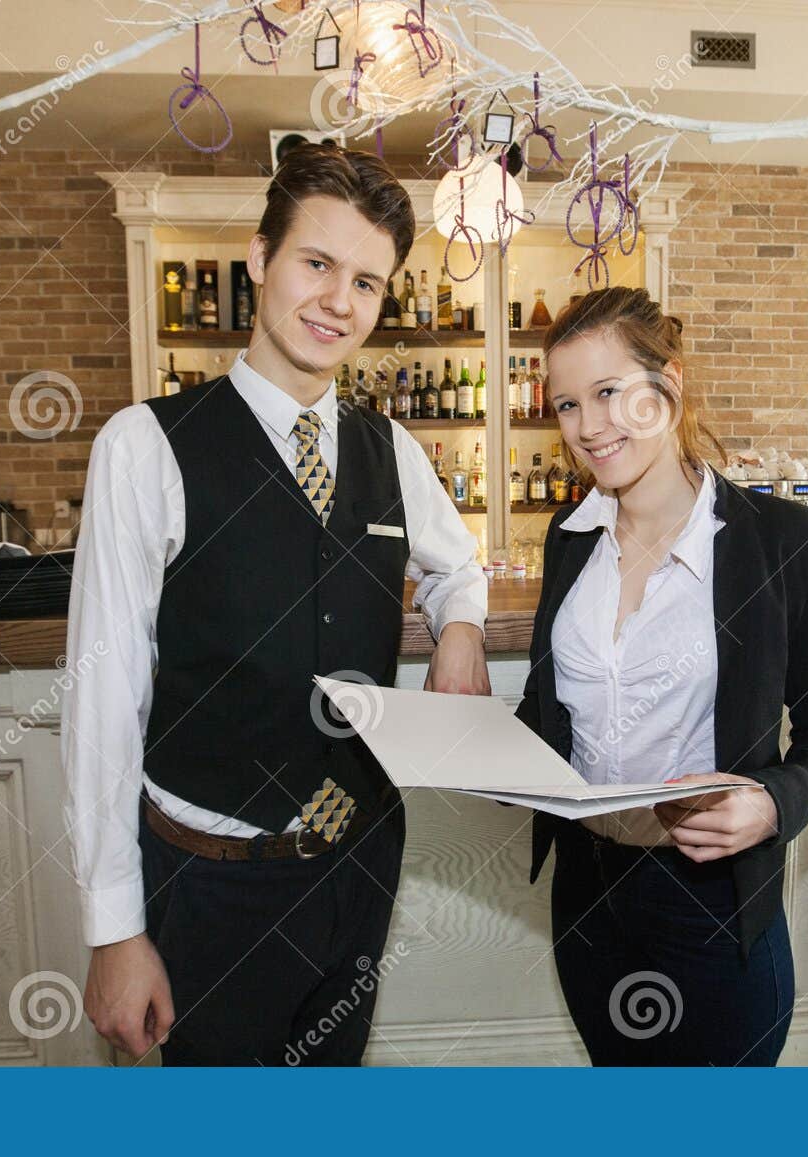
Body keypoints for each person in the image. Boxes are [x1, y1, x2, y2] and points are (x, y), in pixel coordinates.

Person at [62, 144, 490, 1066]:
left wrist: (459, 628)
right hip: (214, 885)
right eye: (318, 263)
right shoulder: (145, 446)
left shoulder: (392, 450)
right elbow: (103, 698)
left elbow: (461, 566)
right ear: (260, 257)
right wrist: (112, 929)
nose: (340, 300)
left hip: (357, 859)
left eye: (368, 283)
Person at [515, 286, 808, 1065]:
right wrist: (462, 740)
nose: (587, 428)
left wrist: (773, 803)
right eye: (567, 405)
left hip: (712, 899)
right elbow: (548, 714)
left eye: (608, 393)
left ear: (667, 386)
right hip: (587, 893)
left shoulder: (785, 542)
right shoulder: (568, 541)